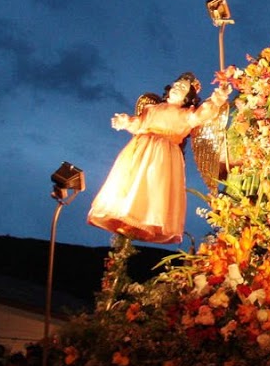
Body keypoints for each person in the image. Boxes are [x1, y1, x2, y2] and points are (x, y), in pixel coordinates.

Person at [87, 74, 231, 243]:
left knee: (152, 186)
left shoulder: (187, 115)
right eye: (176, 84)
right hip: (139, 150)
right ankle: (125, 219)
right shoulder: (151, 109)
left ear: (188, 97)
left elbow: (204, 113)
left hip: (163, 155)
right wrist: (126, 122)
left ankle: (142, 220)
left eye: (183, 88)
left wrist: (218, 97)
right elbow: (139, 124)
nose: (178, 87)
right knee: (130, 184)